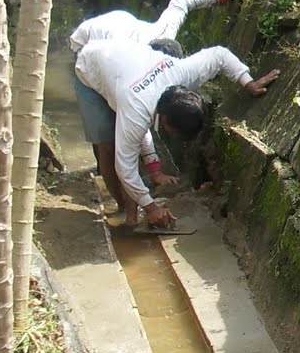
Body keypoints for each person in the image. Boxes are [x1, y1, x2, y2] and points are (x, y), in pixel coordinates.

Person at [74, 38, 279, 228]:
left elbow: (220, 55)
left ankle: (132, 208)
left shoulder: (183, 72)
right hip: (90, 67)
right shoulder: (137, 108)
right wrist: (151, 208)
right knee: (108, 145)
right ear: (164, 119)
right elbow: (125, 166)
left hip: (124, 69)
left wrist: (248, 82)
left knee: (128, 139)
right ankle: (123, 209)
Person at [68, 0, 233, 54]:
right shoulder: (121, 51)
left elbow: (181, 1)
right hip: (84, 39)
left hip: (123, 21)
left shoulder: (165, 34)